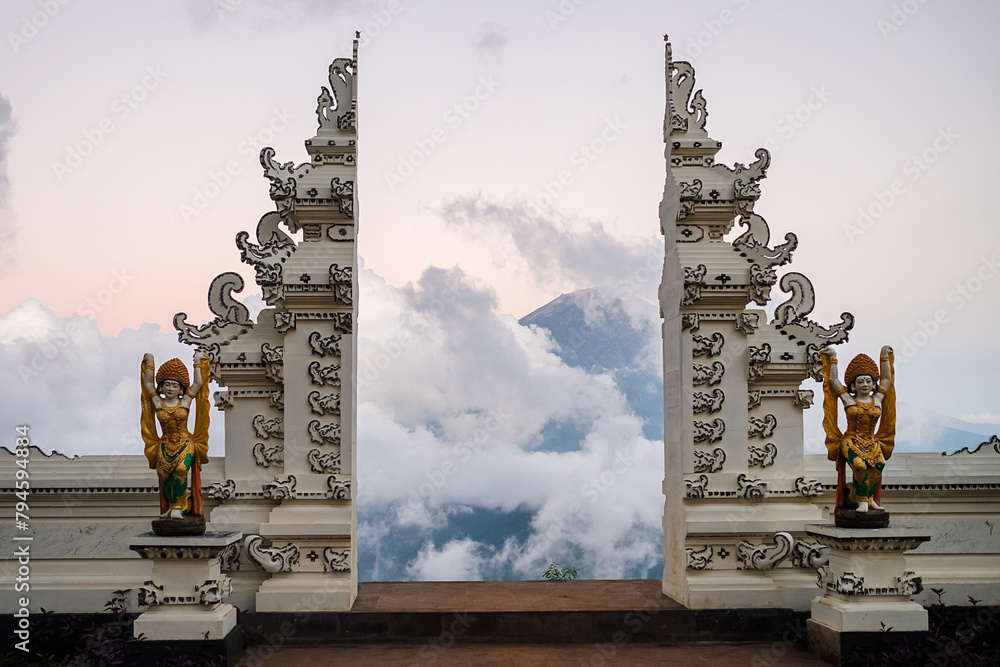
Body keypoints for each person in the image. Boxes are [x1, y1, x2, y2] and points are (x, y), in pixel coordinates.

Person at [820, 345, 895, 513]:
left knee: (879, 465)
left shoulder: (878, 399)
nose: (865, 384)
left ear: (873, 384)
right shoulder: (849, 400)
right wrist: (833, 358)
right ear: (853, 385)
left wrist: (884, 357)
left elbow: (886, 381)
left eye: (868, 381)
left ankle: (868, 498)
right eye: (860, 381)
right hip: (851, 440)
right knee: (859, 466)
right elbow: (833, 381)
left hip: (872, 441)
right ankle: (861, 501)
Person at [140, 352, 210, 520]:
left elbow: (198, 383)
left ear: (181, 389)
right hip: (164, 444)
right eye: (167, 385)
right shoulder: (158, 402)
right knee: (163, 474)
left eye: (174, 385)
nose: (170, 388)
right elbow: (148, 383)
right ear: (162, 387)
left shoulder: (185, 401)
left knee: (180, 470)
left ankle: (179, 507)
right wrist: (149, 363)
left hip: (185, 442)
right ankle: (173, 505)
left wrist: (197, 362)